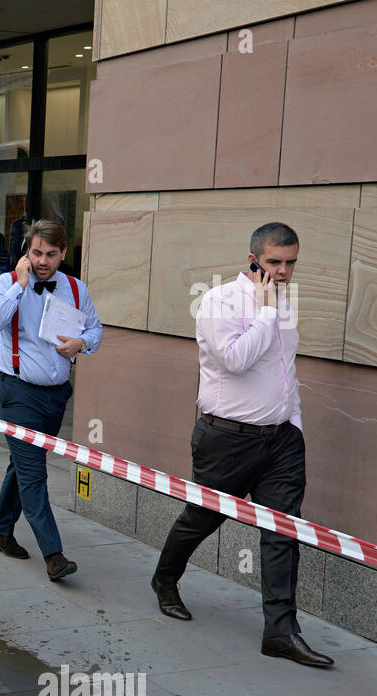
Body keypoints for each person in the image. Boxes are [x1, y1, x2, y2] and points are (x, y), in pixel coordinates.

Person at [151, 223, 327, 667]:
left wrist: (295, 423)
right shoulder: (219, 301)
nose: (283, 271)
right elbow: (234, 360)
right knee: (203, 517)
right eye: (274, 262)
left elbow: (285, 370)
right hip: (227, 439)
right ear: (253, 260)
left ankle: (281, 633)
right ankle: (165, 579)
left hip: (281, 441)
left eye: (290, 262)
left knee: (283, 532)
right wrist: (266, 313)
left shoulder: (284, 302)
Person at [0, 219, 102, 582]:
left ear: (63, 253)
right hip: (16, 391)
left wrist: (81, 344)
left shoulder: (77, 289)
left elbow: (96, 329)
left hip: (56, 396)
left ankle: (0, 531)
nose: (43, 261)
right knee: (34, 473)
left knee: (22, 464)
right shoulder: (7, 284)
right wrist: (19, 286)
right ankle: (54, 555)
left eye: (51, 254)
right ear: (26, 252)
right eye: (36, 253)